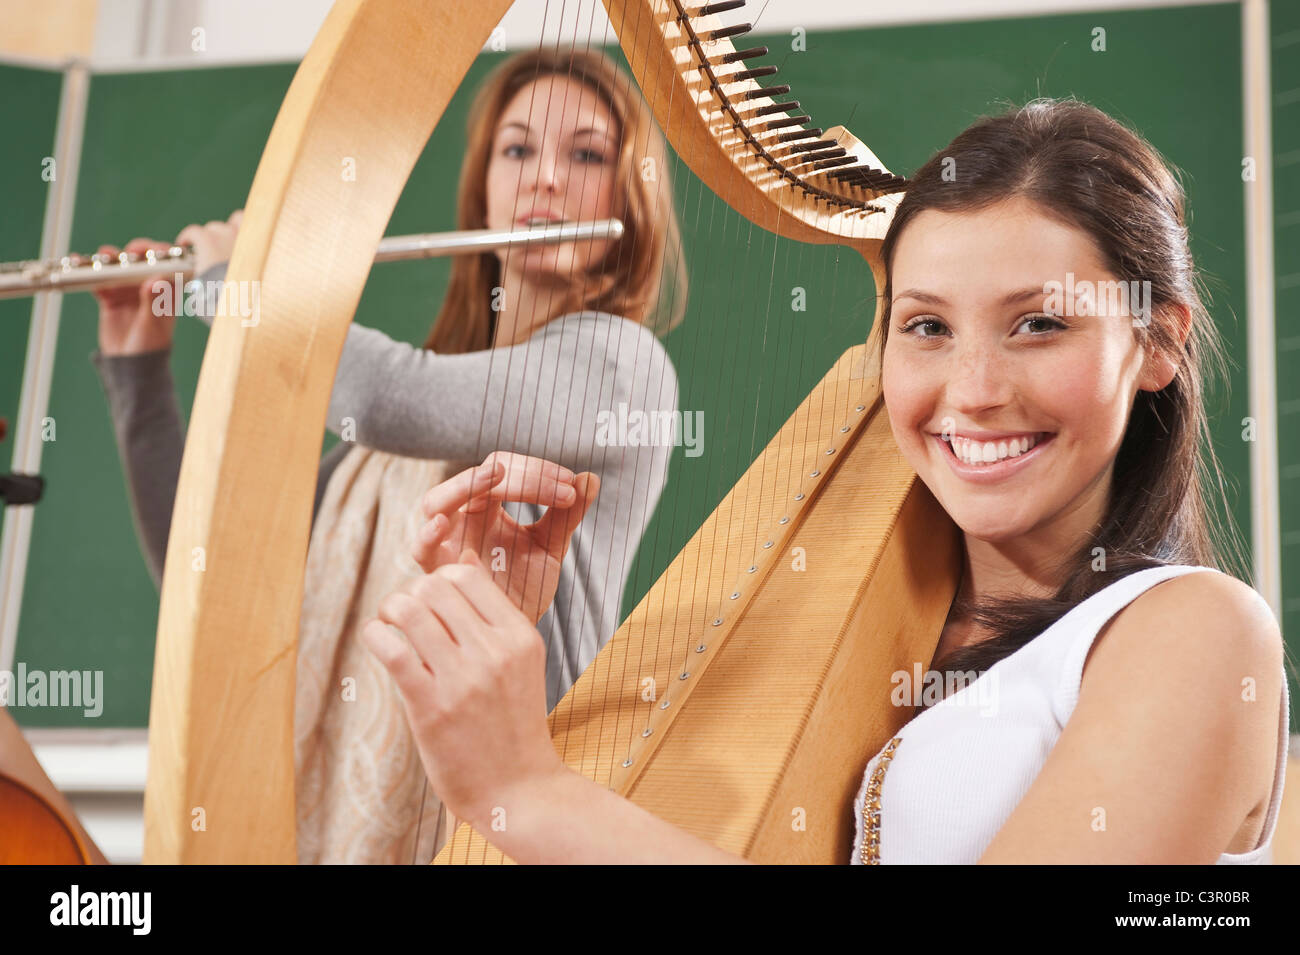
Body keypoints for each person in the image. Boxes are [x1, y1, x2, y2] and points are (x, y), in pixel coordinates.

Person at [361, 97, 1291, 864]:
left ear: (1158, 342)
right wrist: (528, 637)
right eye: (927, 326)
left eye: (1038, 323)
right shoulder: (891, 615)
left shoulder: (1200, 633)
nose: (971, 392)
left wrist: (526, 789)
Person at [88, 48, 687, 863]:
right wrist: (138, 370)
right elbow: (210, 584)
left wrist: (235, 282)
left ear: (630, 196)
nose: (545, 178)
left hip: (511, 839)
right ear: (481, 189)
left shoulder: (619, 367)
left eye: (585, 154)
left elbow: (384, 398)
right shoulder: (388, 457)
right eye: (517, 149)